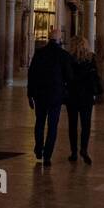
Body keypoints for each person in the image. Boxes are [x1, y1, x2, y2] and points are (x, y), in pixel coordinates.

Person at [27, 28, 71, 166]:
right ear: (59, 40)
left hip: (40, 95)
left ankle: (39, 148)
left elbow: (31, 74)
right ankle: (47, 155)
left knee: (39, 122)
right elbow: (69, 76)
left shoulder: (39, 53)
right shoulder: (63, 55)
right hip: (56, 95)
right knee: (52, 126)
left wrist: (30, 94)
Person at [66, 39, 100, 164]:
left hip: (73, 96)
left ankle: (74, 151)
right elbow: (95, 76)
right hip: (86, 96)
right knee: (86, 125)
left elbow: (67, 76)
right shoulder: (90, 58)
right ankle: (84, 149)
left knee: (73, 125)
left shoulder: (69, 58)